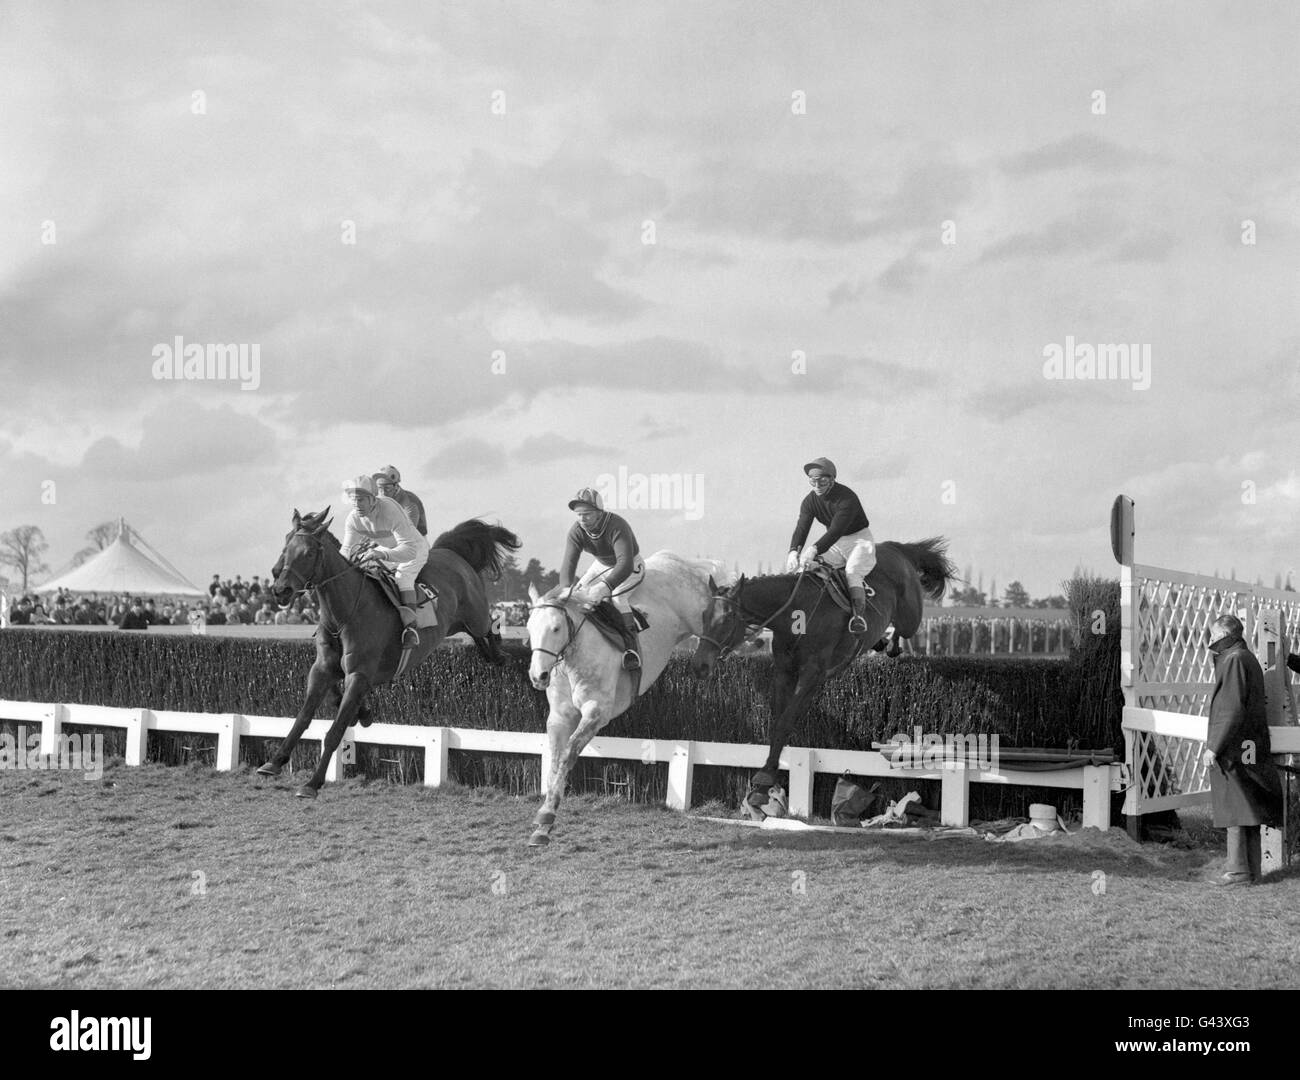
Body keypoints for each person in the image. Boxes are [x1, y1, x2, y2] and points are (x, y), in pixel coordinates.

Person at [1203, 614, 1284, 886]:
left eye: (1214, 633)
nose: (1211, 639)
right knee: (1249, 806)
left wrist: (1213, 747)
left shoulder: (1233, 659)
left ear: (1225, 633)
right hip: (1250, 744)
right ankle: (1252, 871)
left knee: (1235, 807)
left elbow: (1231, 708)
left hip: (1234, 747)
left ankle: (1237, 872)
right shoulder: (1245, 656)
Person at [787, 457, 878, 635]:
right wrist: (793, 551)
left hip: (859, 540)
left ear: (832, 479)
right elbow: (802, 527)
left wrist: (813, 549)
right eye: (813, 480)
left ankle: (858, 618)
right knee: (804, 569)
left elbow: (835, 530)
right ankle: (801, 620)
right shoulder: (809, 501)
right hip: (835, 543)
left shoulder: (847, 498)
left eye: (822, 480)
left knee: (852, 572)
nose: (817, 484)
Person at [557, 487, 643, 670]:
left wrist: (606, 586)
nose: (582, 519)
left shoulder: (617, 525)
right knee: (577, 596)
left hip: (630, 566)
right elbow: (568, 566)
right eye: (578, 514)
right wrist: (565, 589)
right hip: (601, 565)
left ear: (599, 513)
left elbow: (625, 563)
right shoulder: (576, 531)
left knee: (618, 597)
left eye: (587, 514)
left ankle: (630, 649)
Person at [340, 474, 430, 646]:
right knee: (364, 568)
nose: (356, 505)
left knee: (403, 577)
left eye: (361, 500)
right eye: (353, 499)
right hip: (388, 548)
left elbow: (409, 550)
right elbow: (346, 550)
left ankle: (410, 628)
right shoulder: (352, 519)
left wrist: (382, 555)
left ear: (373, 499)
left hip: (414, 548)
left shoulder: (389, 510)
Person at [373, 465, 428, 536]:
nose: (383, 493)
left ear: (396, 486)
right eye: (380, 488)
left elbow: (408, 532)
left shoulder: (410, 502)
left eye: (387, 488)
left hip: (416, 541)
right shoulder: (376, 498)